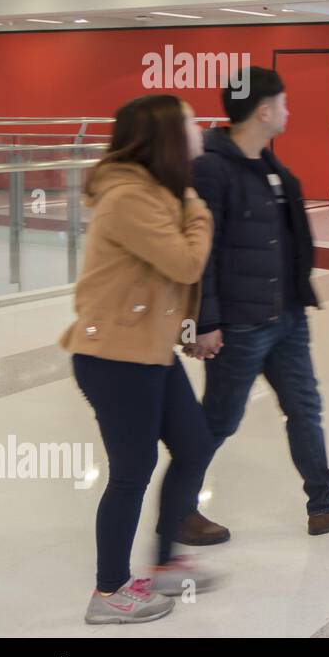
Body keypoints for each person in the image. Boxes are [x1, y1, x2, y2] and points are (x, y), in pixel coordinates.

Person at [181, 67, 329, 542]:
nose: (289, 111)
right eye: (284, 103)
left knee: (305, 406)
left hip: (284, 317)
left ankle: (325, 503)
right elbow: (202, 252)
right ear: (264, 110)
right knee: (219, 419)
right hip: (239, 324)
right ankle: (180, 508)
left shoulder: (268, 165)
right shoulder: (211, 169)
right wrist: (206, 320)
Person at [60, 95, 220, 624]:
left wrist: (186, 329)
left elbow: (160, 283)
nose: (200, 126)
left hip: (145, 351)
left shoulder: (156, 191)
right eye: (190, 121)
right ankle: (108, 593)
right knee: (133, 470)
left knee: (194, 442)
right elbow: (184, 261)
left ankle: (166, 562)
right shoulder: (130, 196)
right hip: (113, 357)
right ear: (167, 136)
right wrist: (197, 209)